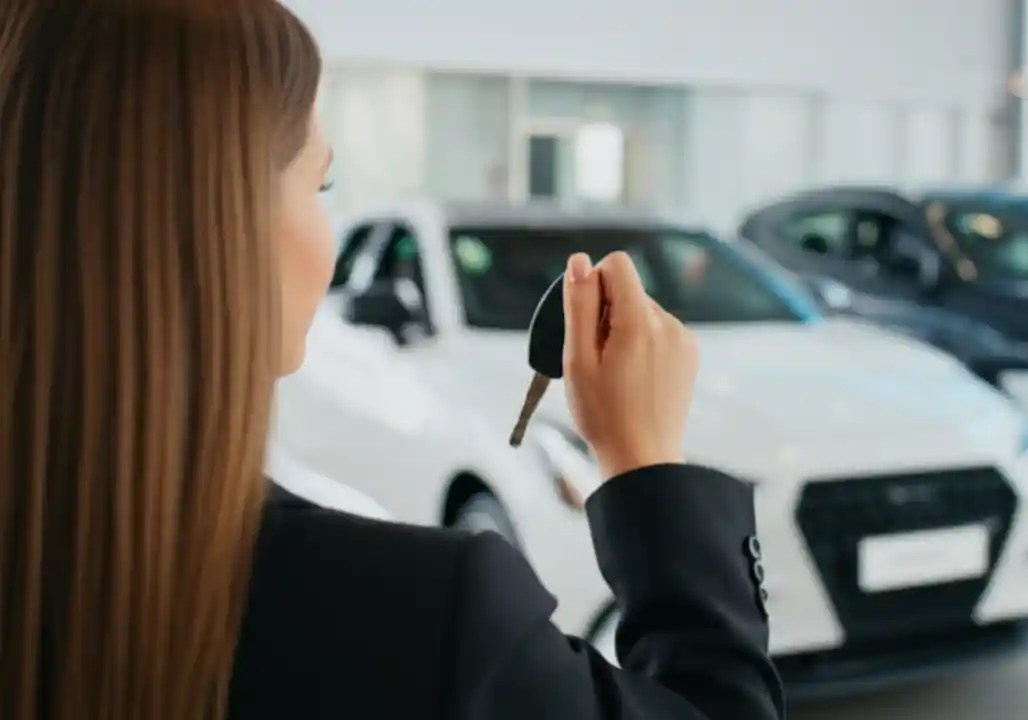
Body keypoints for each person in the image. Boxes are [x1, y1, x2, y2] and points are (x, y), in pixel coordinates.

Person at [0, 1, 785, 719]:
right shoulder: (423, 619)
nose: (330, 237)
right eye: (321, 184)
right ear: (223, 226)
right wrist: (646, 462)